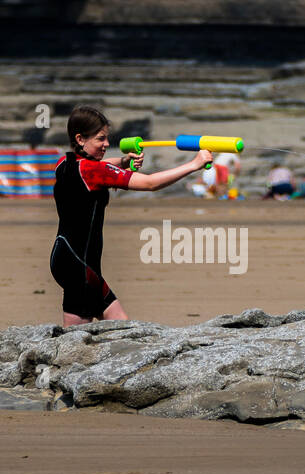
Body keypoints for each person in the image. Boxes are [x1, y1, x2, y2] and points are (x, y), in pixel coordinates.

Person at [51, 105, 209, 325]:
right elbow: (150, 183)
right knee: (99, 333)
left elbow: (98, 166)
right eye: (100, 139)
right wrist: (194, 164)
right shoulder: (95, 171)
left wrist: (123, 162)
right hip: (79, 264)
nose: (107, 144)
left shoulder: (64, 164)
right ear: (80, 139)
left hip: (65, 256)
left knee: (112, 326)